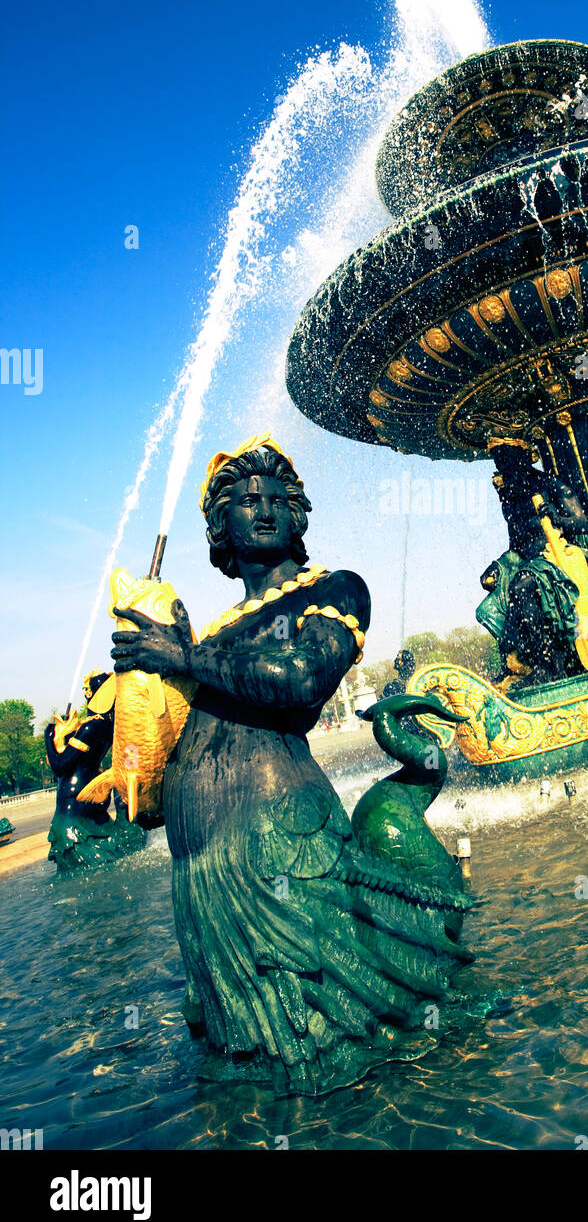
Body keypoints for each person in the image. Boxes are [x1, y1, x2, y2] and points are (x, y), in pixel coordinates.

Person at [109, 432, 471, 1095]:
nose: (266, 508)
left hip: (278, 843)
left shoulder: (332, 589)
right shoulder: (214, 631)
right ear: (221, 523)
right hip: (201, 863)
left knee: (326, 1047)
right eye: (248, 500)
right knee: (247, 1062)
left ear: (298, 514)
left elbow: (301, 679)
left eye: (279, 497)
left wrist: (183, 659)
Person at [477, 439, 588, 683]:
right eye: (498, 461)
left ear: (523, 456)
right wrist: (498, 567)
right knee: (487, 609)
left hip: (559, 558)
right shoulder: (510, 500)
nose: (503, 466)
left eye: (506, 458)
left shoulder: (550, 484)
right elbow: (515, 546)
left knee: (522, 584)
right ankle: (518, 662)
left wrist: (557, 519)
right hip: (527, 565)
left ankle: (548, 664)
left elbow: (584, 522)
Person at [44, 671, 147, 873]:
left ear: (92, 695)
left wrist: (49, 737)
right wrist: (64, 738)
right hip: (91, 804)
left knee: (78, 875)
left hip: (73, 808)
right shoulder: (109, 726)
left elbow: (59, 766)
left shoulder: (91, 727)